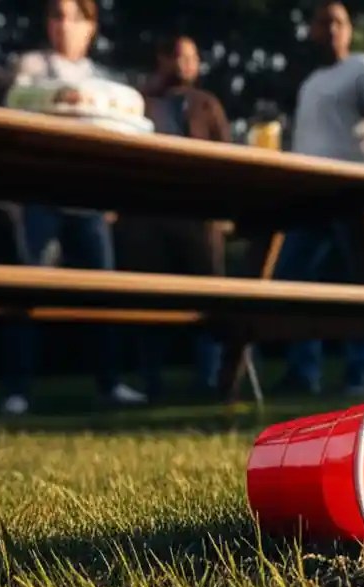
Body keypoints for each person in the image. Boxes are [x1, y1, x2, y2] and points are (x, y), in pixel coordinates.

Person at [0, 0, 147, 416]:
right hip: (41, 196)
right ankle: (17, 391)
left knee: (104, 294)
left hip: (90, 199)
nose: (63, 25)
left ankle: (109, 384)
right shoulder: (31, 67)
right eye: (55, 16)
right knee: (28, 291)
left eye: (73, 17)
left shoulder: (104, 81)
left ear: (90, 26)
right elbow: (15, 104)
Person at [269, 0, 364, 397]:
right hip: (310, 195)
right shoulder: (310, 84)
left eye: (339, 22)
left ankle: (359, 374)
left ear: (349, 30)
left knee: (361, 282)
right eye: (323, 22)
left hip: (353, 193)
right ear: (311, 30)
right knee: (291, 278)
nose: (331, 29)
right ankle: (302, 371)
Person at [113, 35, 231, 402]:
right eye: (181, 56)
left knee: (209, 300)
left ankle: (209, 378)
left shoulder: (207, 103)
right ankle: (151, 382)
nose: (188, 64)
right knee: (152, 303)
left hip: (198, 216)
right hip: (149, 216)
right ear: (162, 58)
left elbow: (226, 155)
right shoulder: (139, 102)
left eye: (194, 57)